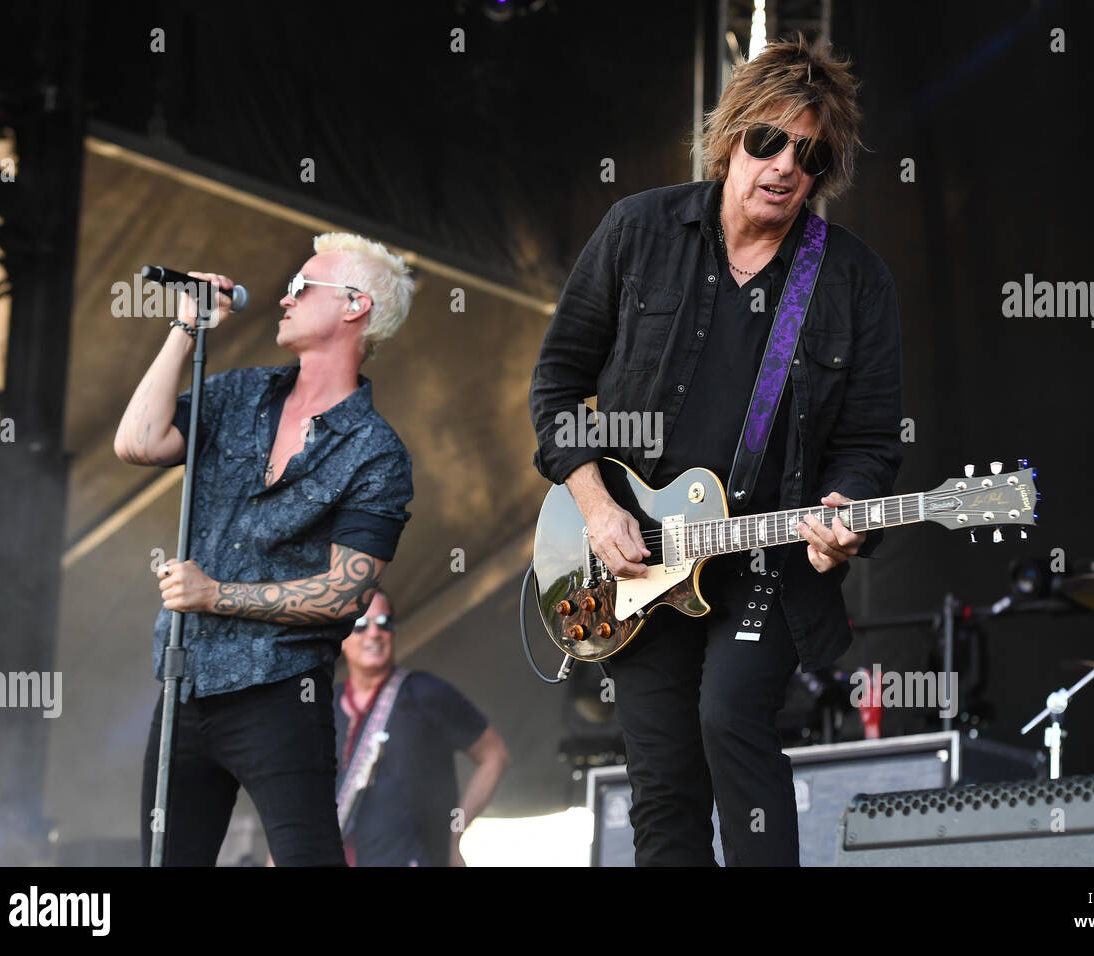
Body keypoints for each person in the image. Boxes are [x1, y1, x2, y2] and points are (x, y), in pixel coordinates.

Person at [528, 36, 902, 866]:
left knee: (731, 722)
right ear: (730, 137)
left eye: (810, 155)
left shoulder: (851, 279)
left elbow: (871, 446)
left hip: (763, 559)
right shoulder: (639, 230)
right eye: (767, 140)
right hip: (637, 560)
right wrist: (596, 508)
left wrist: (845, 514)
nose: (783, 166)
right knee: (661, 784)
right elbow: (556, 385)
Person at [116, 232, 416, 866]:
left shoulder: (375, 451)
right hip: (185, 682)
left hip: (281, 694)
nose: (284, 297)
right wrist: (186, 329)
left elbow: (344, 593)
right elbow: (138, 442)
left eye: (302, 286)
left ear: (354, 305)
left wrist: (215, 594)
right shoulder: (241, 395)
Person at [333, 590, 509, 866]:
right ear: (341, 637)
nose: (374, 633)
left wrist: (454, 832)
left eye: (384, 623)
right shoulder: (323, 708)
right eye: (361, 625)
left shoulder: (425, 693)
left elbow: (494, 755)